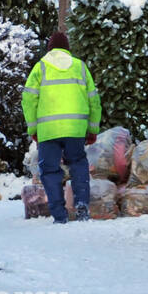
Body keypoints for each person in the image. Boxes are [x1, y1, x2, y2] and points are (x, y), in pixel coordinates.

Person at [22, 31, 102, 224]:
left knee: (49, 171)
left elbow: (28, 99)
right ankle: (82, 205)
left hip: (48, 131)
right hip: (75, 129)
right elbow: (94, 101)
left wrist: (33, 129)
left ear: (49, 49)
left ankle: (59, 215)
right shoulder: (80, 67)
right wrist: (92, 129)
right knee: (78, 164)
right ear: (67, 49)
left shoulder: (40, 68)